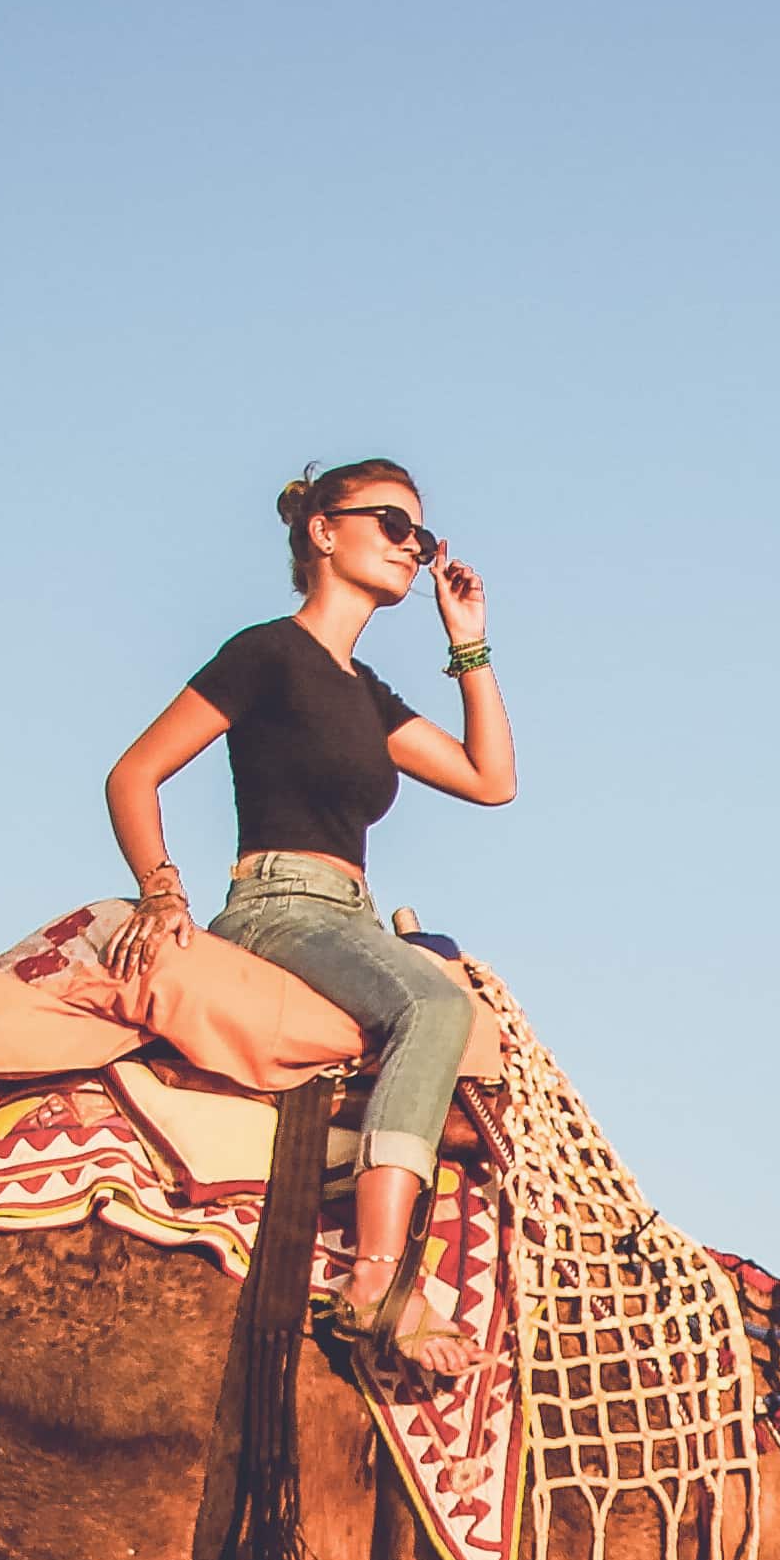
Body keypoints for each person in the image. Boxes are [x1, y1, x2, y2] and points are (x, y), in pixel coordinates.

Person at [100, 456, 515, 1368]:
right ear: (325, 532)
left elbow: (491, 781)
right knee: (436, 1008)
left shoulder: (366, 693)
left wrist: (469, 643)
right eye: (392, 525)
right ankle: (376, 1278)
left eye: (421, 536)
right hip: (277, 907)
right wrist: (162, 889)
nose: (412, 547)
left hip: (353, 919)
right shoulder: (266, 655)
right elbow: (133, 774)